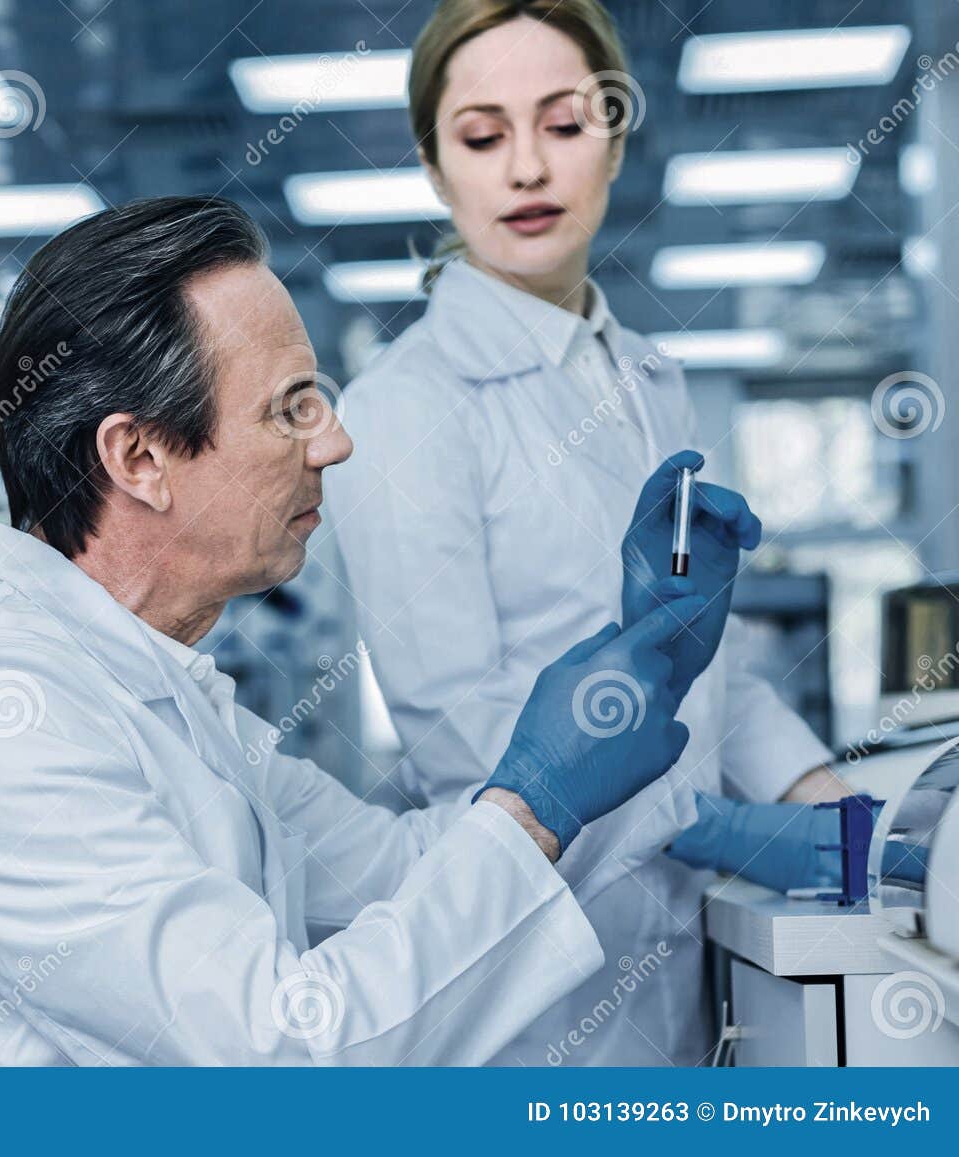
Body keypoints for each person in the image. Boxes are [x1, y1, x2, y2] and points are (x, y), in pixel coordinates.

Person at [0, 194, 755, 1065]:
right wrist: (536, 799)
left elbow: (402, 871)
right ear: (140, 457)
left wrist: (639, 670)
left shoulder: (161, 696)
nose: (335, 443)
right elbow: (286, 1055)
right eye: (292, 408)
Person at [324, 0, 849, 1067]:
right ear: (434, 168)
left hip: (681, 952)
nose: (526, 167)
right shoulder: (405, 407)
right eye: (482, 137)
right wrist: (700, 821)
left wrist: (841, 815)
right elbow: (463, 734)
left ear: (613, 137)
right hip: (530, 976)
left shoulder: (652, 379)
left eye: (563, 124)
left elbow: (707, 672)